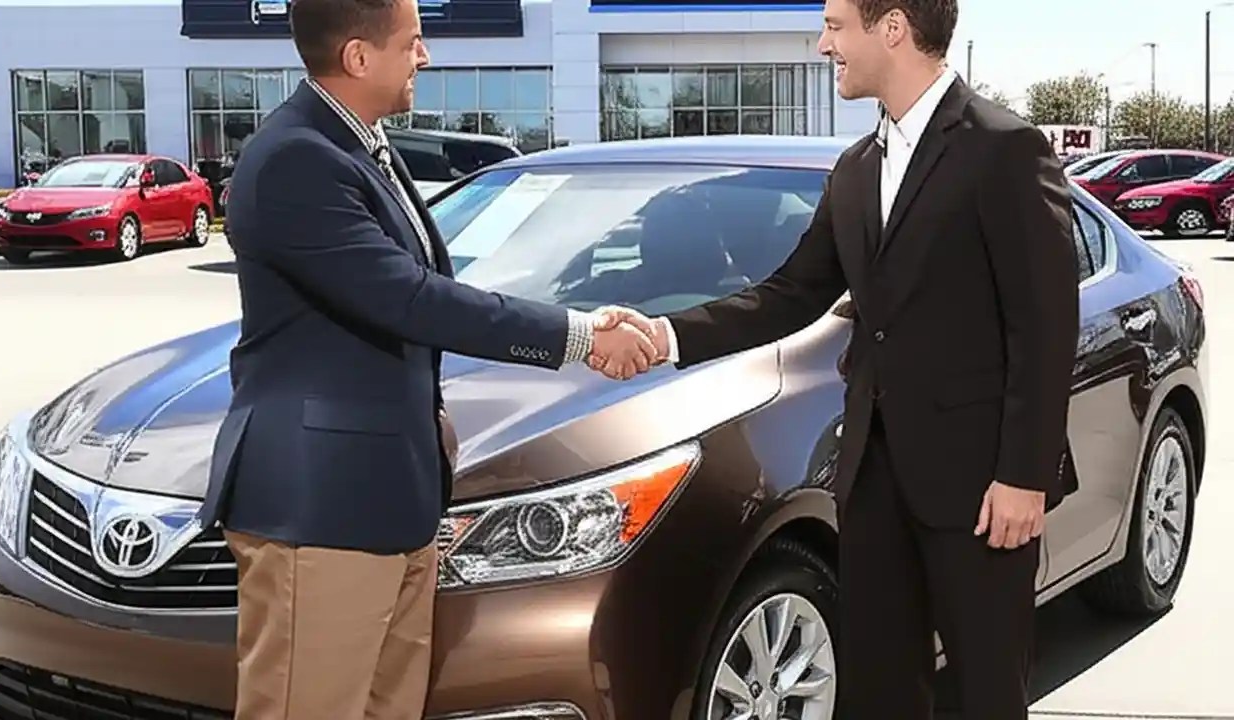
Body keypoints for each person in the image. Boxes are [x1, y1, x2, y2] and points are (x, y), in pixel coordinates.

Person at [594, 0, 1080, 717]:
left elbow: (1043, 324)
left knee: (986, 694)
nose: (823, 44)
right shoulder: (856, 169)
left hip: (980, 489)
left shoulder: (1004, 148)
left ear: (892, 28)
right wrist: (665, 337)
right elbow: (791, 295)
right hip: (872, 481)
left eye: (835, 25)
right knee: (880, 692)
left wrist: (1024, 477)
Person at [195, 0, 657, 717]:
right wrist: (580, 336)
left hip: (391, 502)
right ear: (358, 57)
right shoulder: (296, 160)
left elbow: (421, 295)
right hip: (320, 509)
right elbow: (410, 299)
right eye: (413, 42)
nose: (426, 56)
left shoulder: (357, 146)